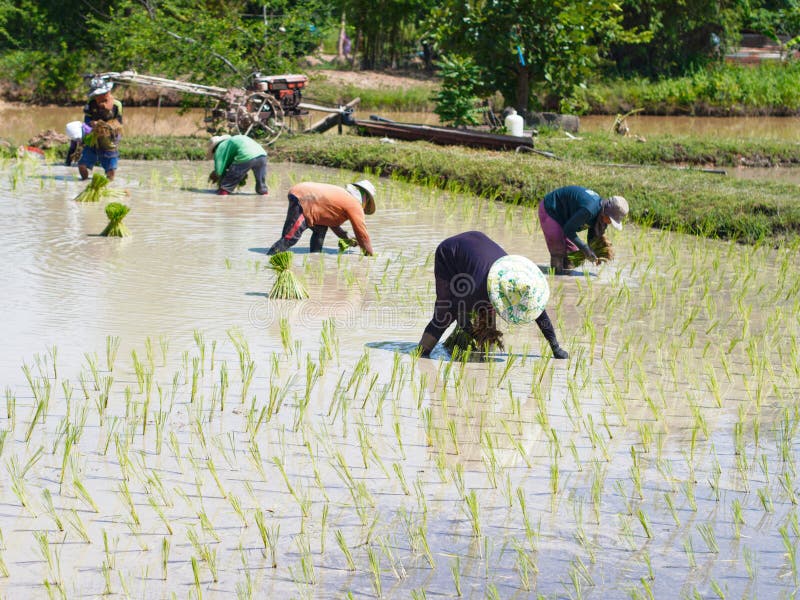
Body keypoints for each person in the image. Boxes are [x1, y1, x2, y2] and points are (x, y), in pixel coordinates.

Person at [416, 231, 568, 359]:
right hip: (450, 253)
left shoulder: (523, 288)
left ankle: (483, 352)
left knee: (486, 314)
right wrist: (474, 333)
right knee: (445, 313)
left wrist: (556, 348)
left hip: (477, 251)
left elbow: (541, 315)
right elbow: (458, 312)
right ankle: (421, 353)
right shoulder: (477, 290)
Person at [267, 180, 376, 255]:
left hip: (307, 197)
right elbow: (362, 234)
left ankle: (315, 256)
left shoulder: (343, 198)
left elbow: (333, 224)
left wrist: (347, 238)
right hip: (303, 198)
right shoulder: (354, 204)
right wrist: (369, 255)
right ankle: (271, 258)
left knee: (320, 230)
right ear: (365, 198)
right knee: (290, 238)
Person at [538, 185, 629, 274]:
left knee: (572, 253)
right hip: (551, 209)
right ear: (605, 212)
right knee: (558, 250)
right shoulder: (589, 209)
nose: (609, 223)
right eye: (610, 219)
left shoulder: (601, 217)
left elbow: (593, 236)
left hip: (566, 218)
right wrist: (585, 249)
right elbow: (568, 229)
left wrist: (596, 253)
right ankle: (556, 279)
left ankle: (566, 281)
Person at [78, 78, 123, 181]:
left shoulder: (116, 105)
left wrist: (105, 126)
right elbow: (87, 120)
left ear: (106, 92)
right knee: (82, 165)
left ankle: (109, 182)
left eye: (100, 94)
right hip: (93, 134)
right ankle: (84, 182)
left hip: (109, 136)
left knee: (110, 166)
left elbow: (119, 124)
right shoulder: (91, 103)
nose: (97, 97)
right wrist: (91, 124)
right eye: (96, 95)